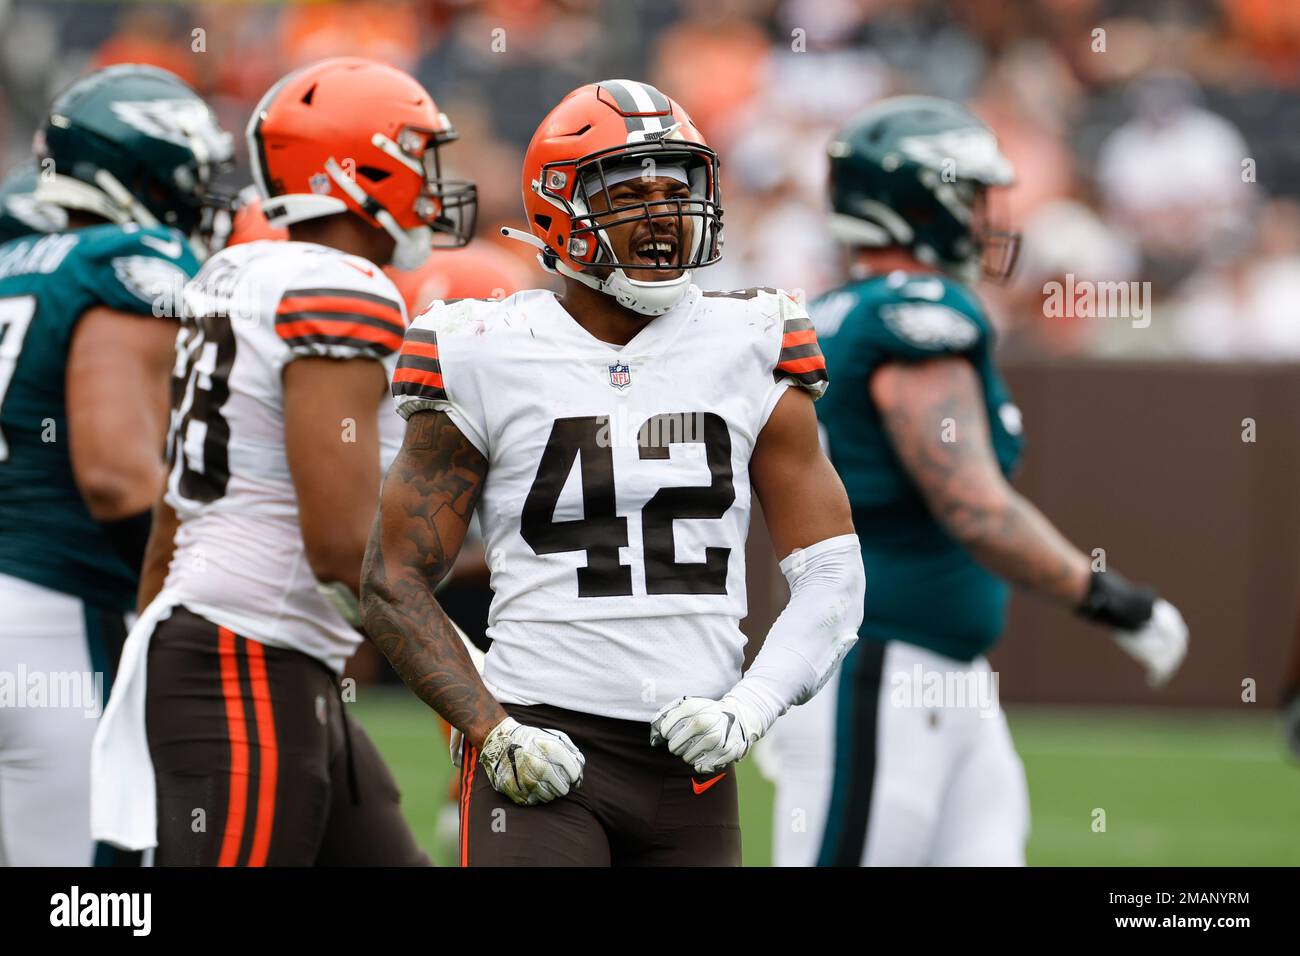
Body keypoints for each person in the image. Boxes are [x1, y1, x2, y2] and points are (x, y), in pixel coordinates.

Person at [361, 79, 865, 867]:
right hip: (542, 744)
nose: (664, 211)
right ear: (558, 206)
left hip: (694, 757)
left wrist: (749, 708)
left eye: (680, 186)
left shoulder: (753, 338)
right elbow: (394, 578)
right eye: (631, 190)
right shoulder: (482, 345)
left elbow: (833, 569)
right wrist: (494, 733)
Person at [764, 96, 1189, 867]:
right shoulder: (918, 315)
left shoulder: (839, 311)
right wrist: (1112, 600)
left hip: (936, 676)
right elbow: (974, 507)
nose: (986, 216)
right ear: (916, 202)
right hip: (882, 667)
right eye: (969, 196)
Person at [91, 57, 475, 866]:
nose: (431, 181)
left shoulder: (235, 270)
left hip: (242, 647)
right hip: (245, 660)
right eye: (415, 154)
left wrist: (159, 634)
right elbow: (342, 546)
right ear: (356, 166)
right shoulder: (344, 289)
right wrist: (472, 685)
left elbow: (176, 506)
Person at [0, 64, 231, 866]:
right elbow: (115, 476)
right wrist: (194, 606)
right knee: (89, 896)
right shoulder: (129, 256)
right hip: (56, 614)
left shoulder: (13, 258)